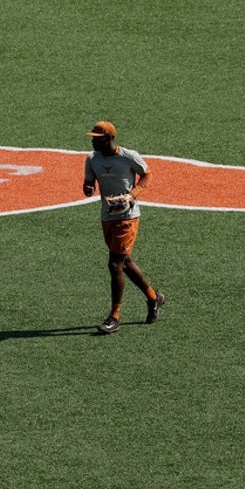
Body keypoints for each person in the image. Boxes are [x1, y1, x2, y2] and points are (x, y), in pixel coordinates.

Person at [82, 121, 164, 333]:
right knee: (125, 262)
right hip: (107, 216)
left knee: (115, 265)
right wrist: (89, 187)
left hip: (128, 217)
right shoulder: (92, 159)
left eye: (96, 138)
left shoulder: (128, 156)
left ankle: (114, 316)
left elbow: (148, 174)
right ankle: (154, 297)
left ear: (108, 138)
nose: (92, 140)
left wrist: (132, 196)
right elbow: (88, 183)